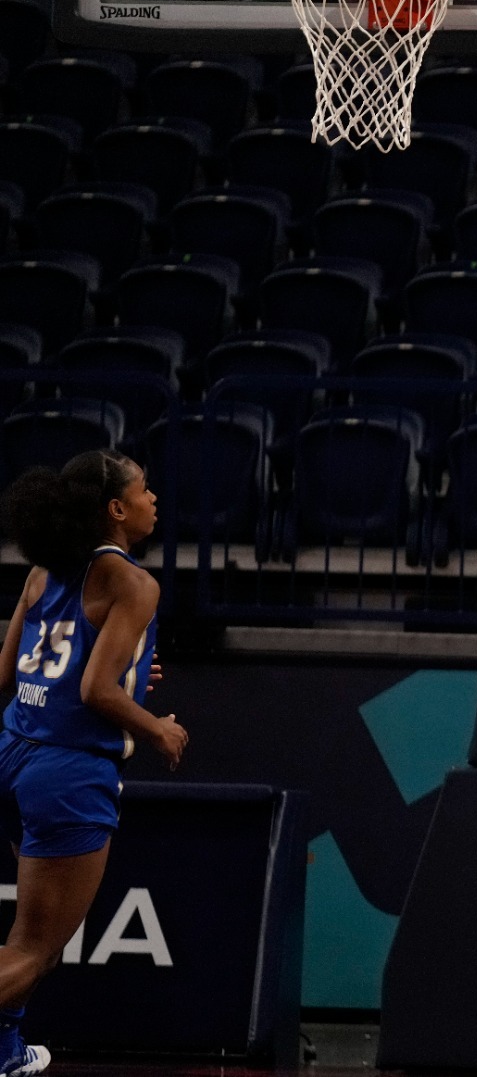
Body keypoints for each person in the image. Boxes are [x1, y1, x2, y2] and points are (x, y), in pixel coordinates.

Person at [0, 450, 186, 1077]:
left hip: (12, 751)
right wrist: (156, 726)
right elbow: (95, 692)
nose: (153, 498)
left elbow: (10, 675)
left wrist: (129, 672)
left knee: (36, 946)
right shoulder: (133, 582)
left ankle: (7, 1054)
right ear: (116, 509)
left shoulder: (42, 572)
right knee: (34, 948)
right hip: (69, 772)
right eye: (144, 488)